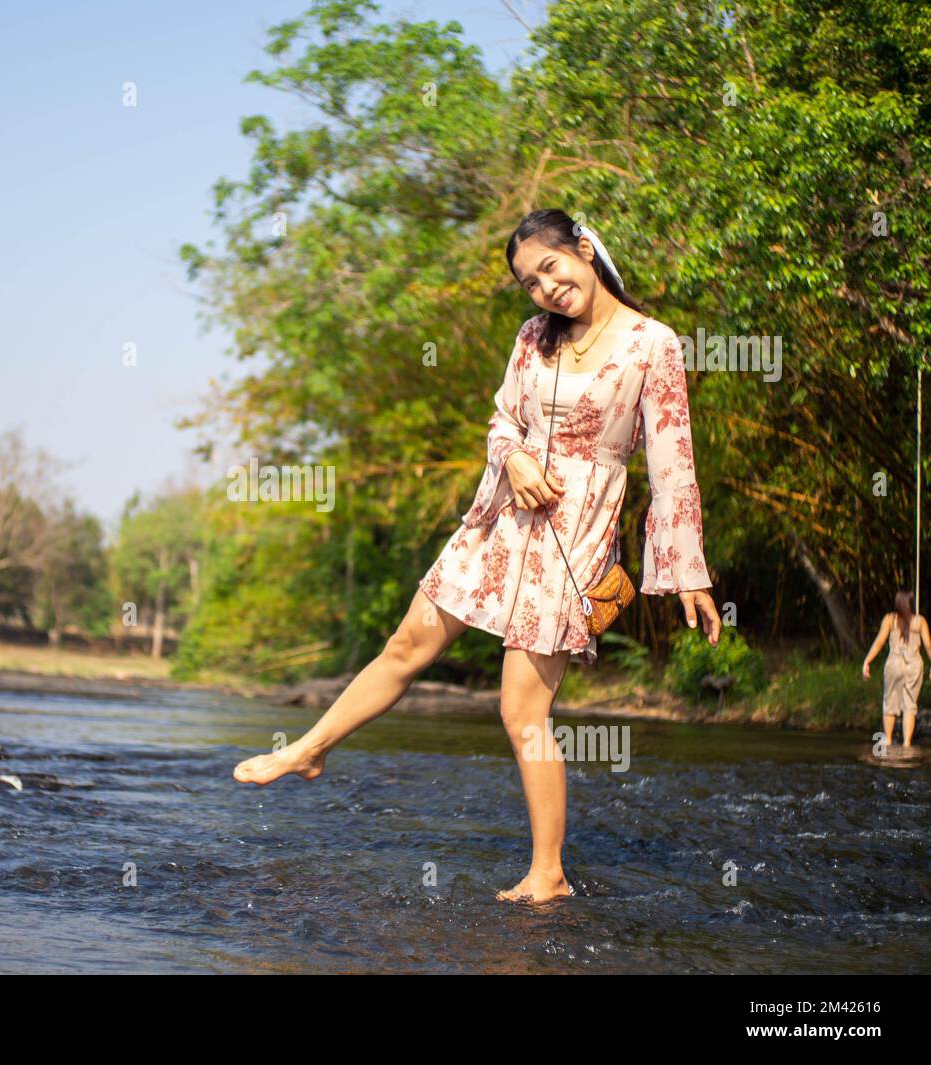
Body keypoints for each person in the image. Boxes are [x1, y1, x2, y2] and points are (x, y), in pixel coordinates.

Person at [232, 208, 722, 904]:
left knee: (521, 709)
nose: (546, 289)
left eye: (551, 269)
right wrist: (516, 456)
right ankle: (309, 747)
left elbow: (672, 460)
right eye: (529, 283)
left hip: (572, 537)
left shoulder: (653, 343)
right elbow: (501, 420)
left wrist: (688, 573)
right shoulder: (533, 339)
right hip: (498, 519)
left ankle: (547, 871)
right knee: (406, 642)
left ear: (583, 250)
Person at [862, 590, 929, 748]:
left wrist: (867, 661)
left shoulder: (889, 619)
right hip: (914, 664)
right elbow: (928, 646)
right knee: (909, 705)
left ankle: (888, 740)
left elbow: (879, 642)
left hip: (894, 663)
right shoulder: (920, 621)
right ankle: (906, 743)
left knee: (889, 703)